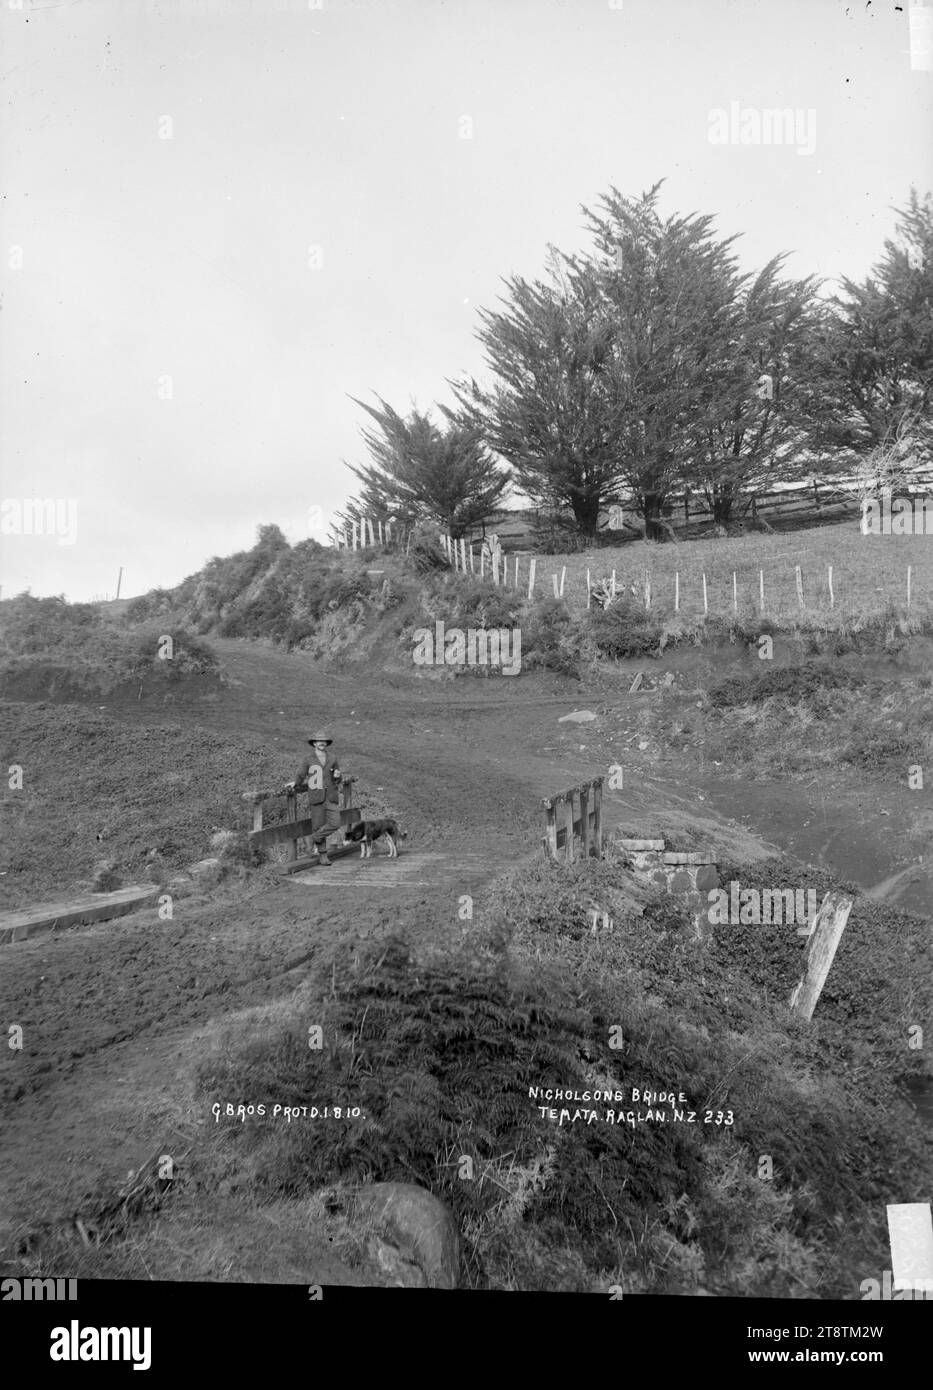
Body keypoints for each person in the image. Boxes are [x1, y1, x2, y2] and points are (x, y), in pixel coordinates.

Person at [286, 730, 343, 866]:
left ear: (327, 743)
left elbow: (338, 778)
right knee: (318, 825)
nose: (322, 743)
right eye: (319, 741)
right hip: (316, 796)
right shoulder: (308, 759)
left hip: (331, 795)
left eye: (324, 741)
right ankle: (323, 856)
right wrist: (295, 783)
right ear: (314, 743)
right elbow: (301, 774)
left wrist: (337, 777)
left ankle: (314, 838)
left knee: (336, 822)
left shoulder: (333, 758)